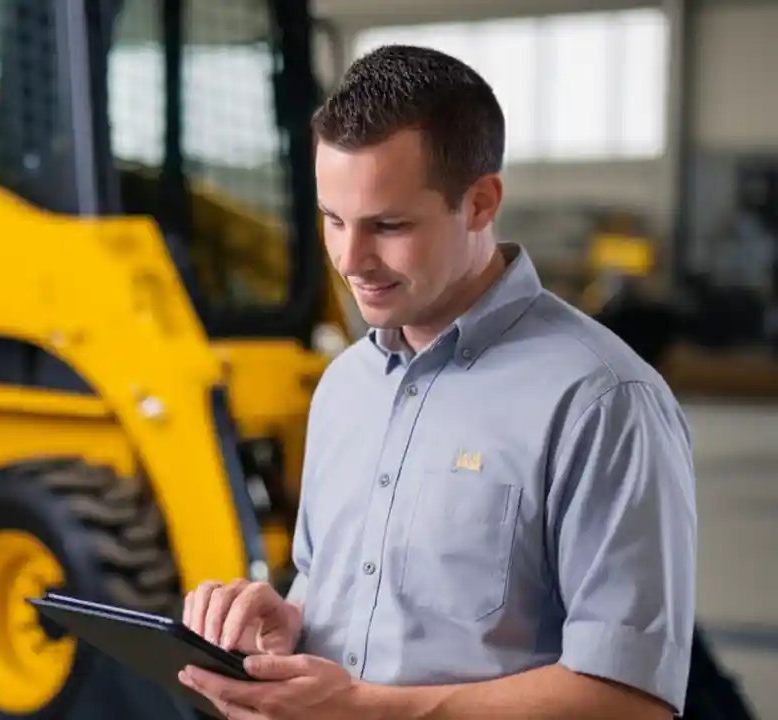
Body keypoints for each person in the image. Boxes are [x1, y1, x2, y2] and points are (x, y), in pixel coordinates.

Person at [176, 45, 697, 720]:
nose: (350, 260)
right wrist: (286, 626)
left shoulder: (602, 402)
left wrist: (365, 709)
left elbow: (631, 699)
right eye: (333, 220)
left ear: (480, 202)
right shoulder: (345, 387)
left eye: (388, 226)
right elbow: (336, 595)